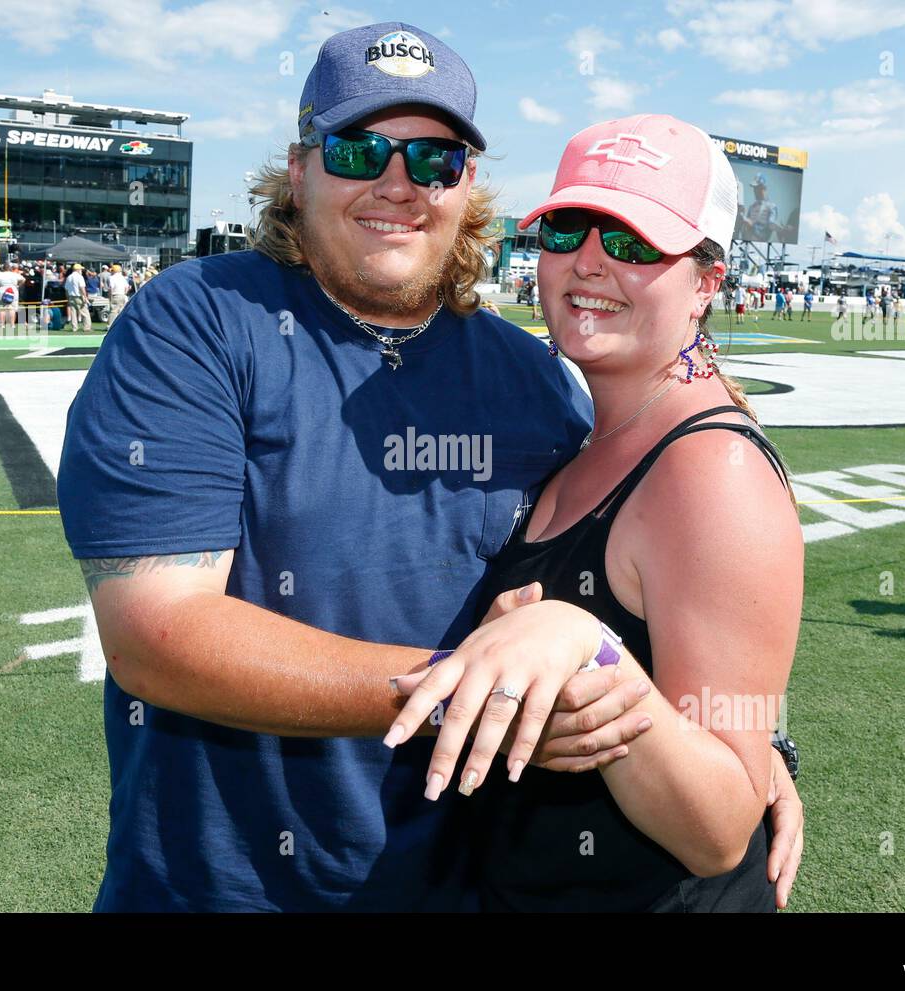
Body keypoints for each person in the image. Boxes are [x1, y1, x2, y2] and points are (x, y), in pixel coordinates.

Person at [56, 21, 805, 913]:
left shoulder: (536, 384)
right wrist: (474, 684)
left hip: (461, 891)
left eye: (434, 159)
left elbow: (658, 602)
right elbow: (155, 636)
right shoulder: (198, 323)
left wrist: (748, 754)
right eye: (359, 148)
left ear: (468, 186)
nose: (397, 184)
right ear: (298, 171)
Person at [388, 113, 802, 912]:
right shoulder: (587, 427)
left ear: (707, 281)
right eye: (569, 228)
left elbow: (719, 826)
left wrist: (589, 648)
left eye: (636, 242)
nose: (589, 262)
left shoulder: (712, 470)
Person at [64, 264, 92, 331]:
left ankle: (74, 328)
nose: (81, 271)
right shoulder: (80, 277)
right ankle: (87, 327)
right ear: (78, 270)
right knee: (85, 312)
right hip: (79, 296)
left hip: (71, 297)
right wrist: (85, 297)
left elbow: (66, 289)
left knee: (73, 313)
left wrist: (68, 297)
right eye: (81, 269)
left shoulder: (69, 277)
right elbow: (82, 288)